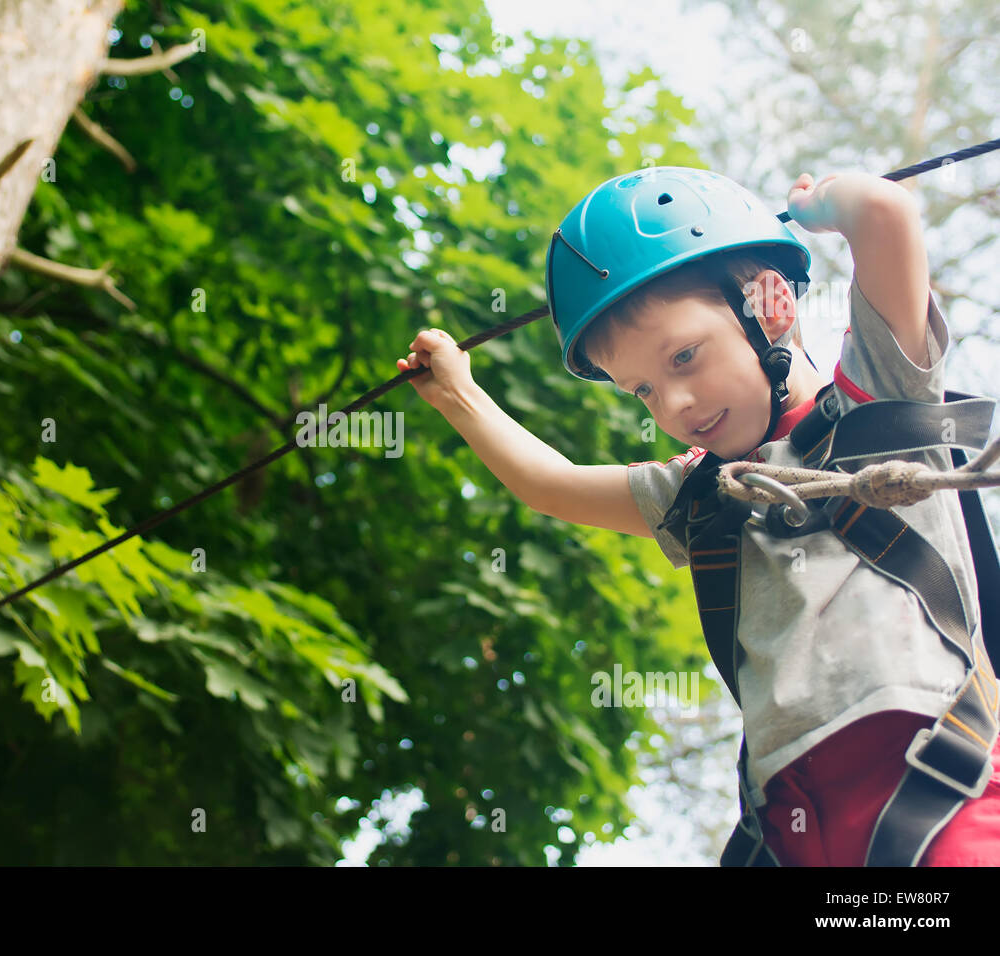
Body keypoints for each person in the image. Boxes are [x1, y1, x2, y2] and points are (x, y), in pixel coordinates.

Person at [397, 167, 1000, 866]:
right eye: (644, 390)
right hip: (791, 826)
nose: (673, 405)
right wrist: (457, 397)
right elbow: (551, 485)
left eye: (685, 357)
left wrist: (816, 204)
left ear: (771, 304)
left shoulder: (877, 401)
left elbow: (886, 214)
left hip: (942, 795)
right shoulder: (703, 494)